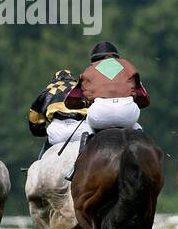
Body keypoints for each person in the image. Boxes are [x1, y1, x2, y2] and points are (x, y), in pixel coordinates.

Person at [63, 41, 149, 178]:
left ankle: (75, 168)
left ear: (94, 59)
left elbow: (70, 100)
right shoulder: (128, 67)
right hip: (127, 114)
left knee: (86, 128)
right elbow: (144, 98)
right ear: (116, 57)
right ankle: (146, 164)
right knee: (137, 127)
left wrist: (85, 103)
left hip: (101, 114)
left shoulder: (89, 70)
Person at [26, 69, 88, 158]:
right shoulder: (82, 88)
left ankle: (39, 163)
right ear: (72, 79)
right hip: (82, 129)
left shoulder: (48, 89)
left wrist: (43, 132)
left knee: (42, 161)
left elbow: (34, 123)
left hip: (58, 130)